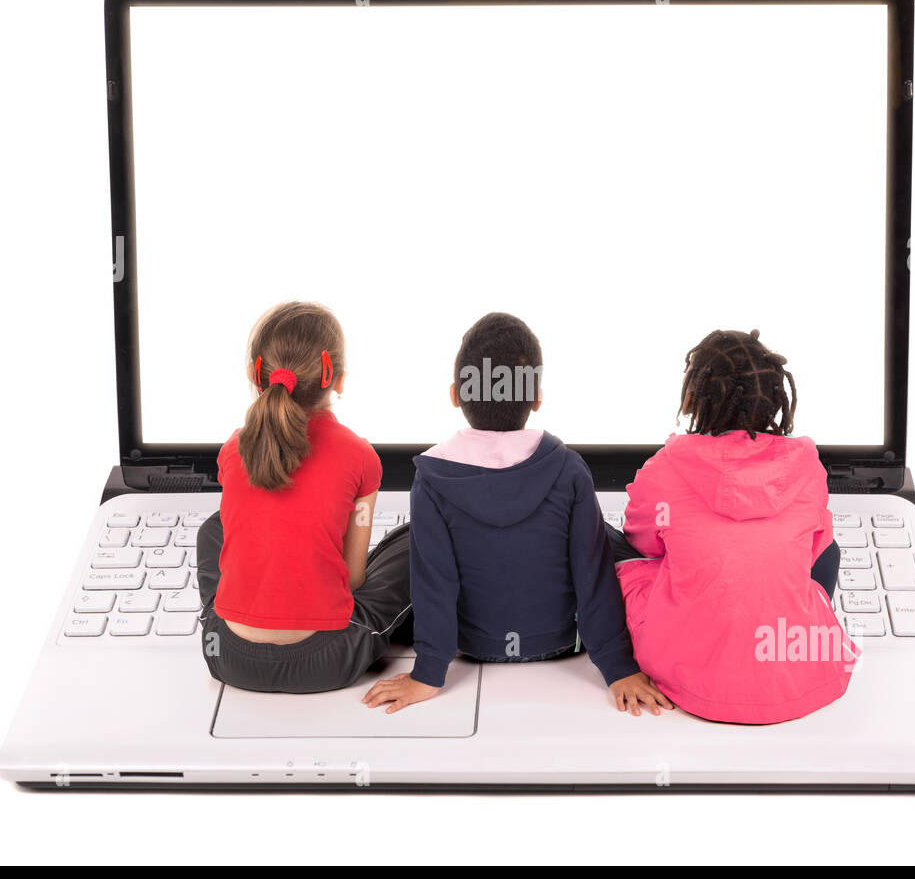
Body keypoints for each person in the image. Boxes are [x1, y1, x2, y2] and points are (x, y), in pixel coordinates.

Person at [363, 312, 671, 716]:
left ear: (455, 394)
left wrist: (428, 674)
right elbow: (591, 577)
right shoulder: (570, 468)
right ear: (537, 397)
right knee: (602, 539)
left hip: (471, 646)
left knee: (411, 545)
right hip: (560, 643)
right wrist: (618, 667)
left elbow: (436, 585)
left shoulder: (431, 480)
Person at [608, 328, 856, 724]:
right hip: (798, 662)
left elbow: (644, 543)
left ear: (692, 398)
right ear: (775, 398)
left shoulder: (667, 467)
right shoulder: (807, 464)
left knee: (609, 540)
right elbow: (813, 549)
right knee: (828, 545)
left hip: (692, 673)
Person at [196, 301, 411, 693]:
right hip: (327, 660)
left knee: (213, 528)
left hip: (226, 656)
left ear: (254, 375)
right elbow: (355, 578)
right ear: (339, 380)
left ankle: (231, 614)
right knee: (417, 538)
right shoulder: (361, 456)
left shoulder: (232, 449)